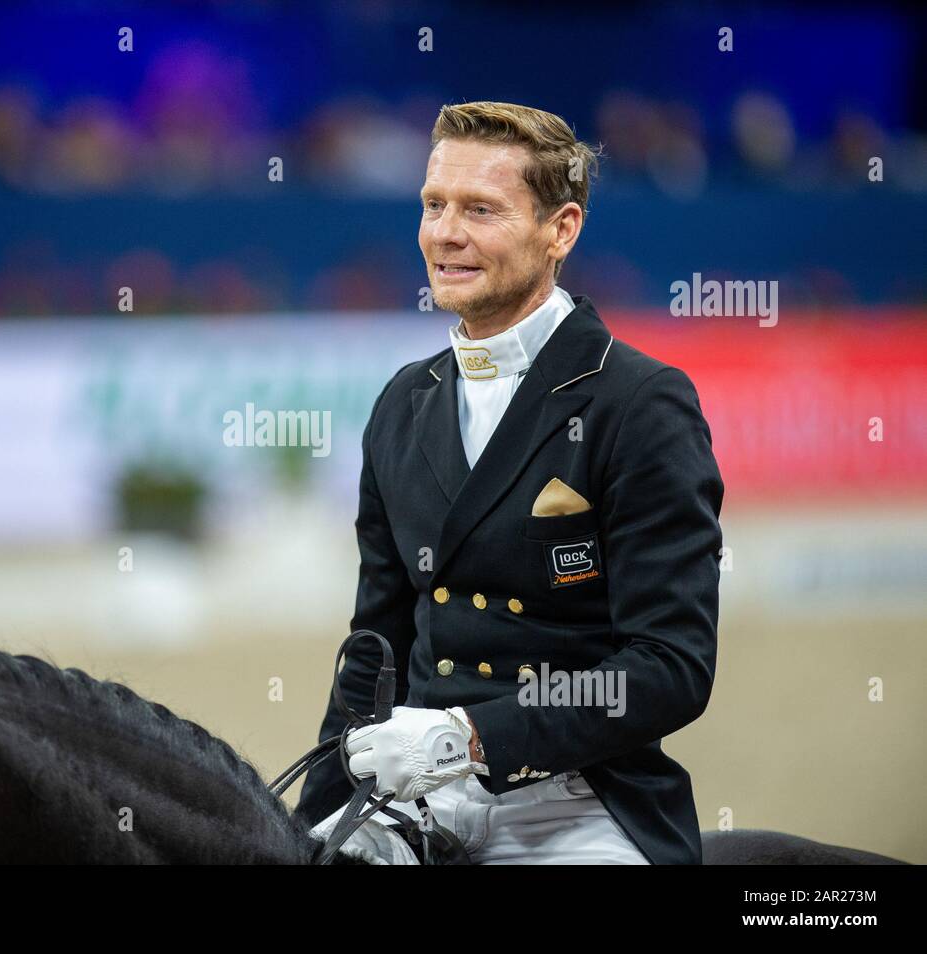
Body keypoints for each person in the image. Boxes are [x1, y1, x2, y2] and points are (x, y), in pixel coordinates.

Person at [294, 101, 725, 864]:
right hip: (412, 797)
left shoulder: (638, 401)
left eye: (480, 210)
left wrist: (471, 738)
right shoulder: (402, 402)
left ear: (560, 230)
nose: (445, 233)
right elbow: (375, 645)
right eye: (434, 206)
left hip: (579, 800)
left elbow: (670, 668)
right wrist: (312, 823)